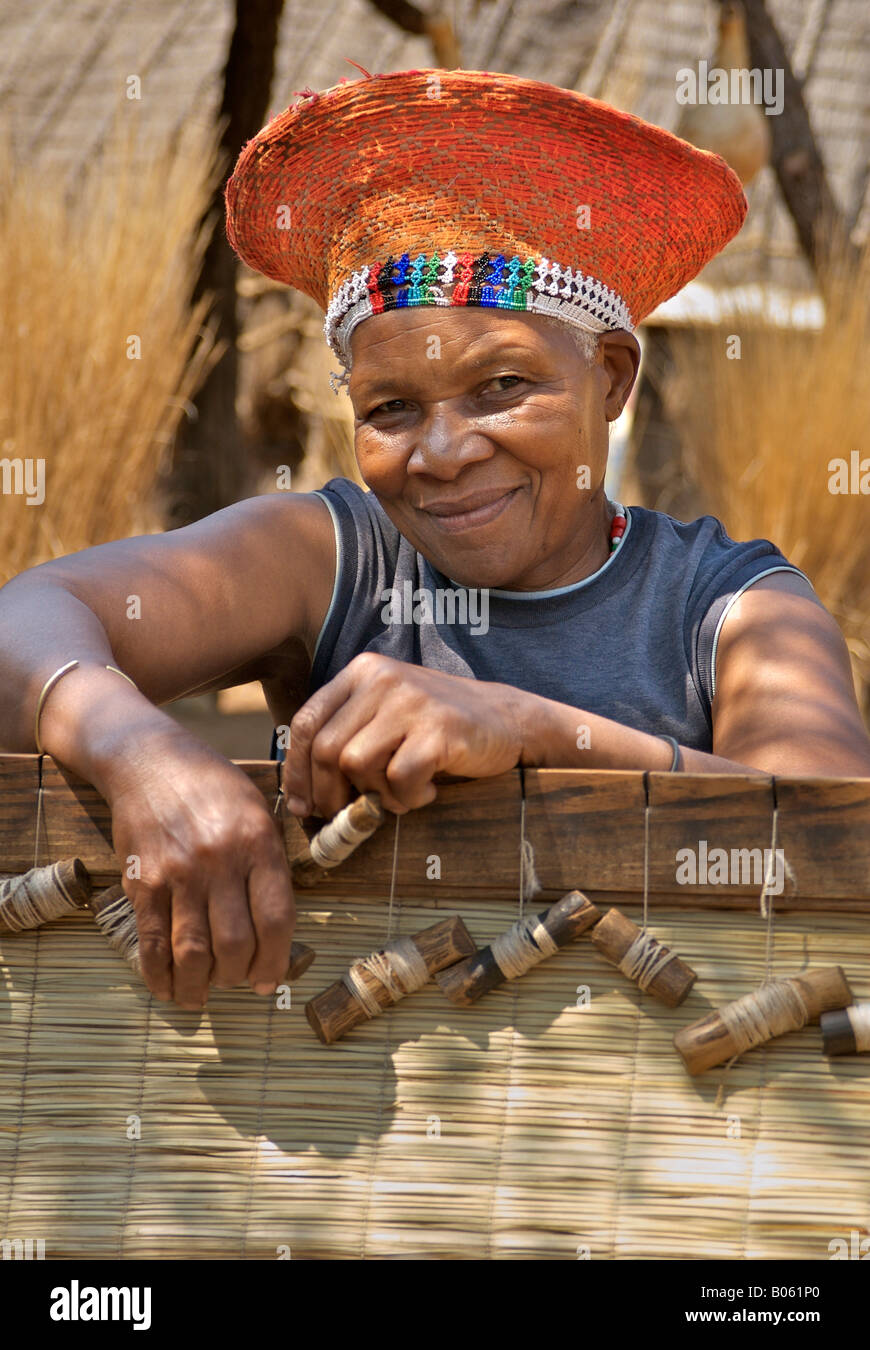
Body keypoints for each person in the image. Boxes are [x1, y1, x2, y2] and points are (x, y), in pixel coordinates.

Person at [2, 70, 868, 1012]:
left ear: (611, 378)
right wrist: (141, 754)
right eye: (392, 409)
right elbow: (27, 620)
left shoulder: (733, 606)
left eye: (503, 386)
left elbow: (835, 837)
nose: (444, 453)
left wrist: (535, 731)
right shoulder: (340, 557)